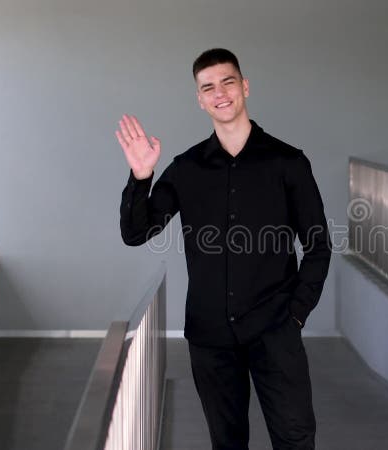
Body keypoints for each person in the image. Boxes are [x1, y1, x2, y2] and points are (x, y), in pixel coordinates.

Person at [116, 48, 331, 450]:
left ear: (244, 86)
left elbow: (318, 245)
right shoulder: (187, 168)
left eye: (228, 82)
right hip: (210, 335)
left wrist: (297, 313)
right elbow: (136, 231)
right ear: (200, 98)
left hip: (275, 329)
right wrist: (141, 177)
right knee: (227, 443)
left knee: (295, 438)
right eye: (208, 87)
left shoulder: (288, 162)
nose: (220, 93)